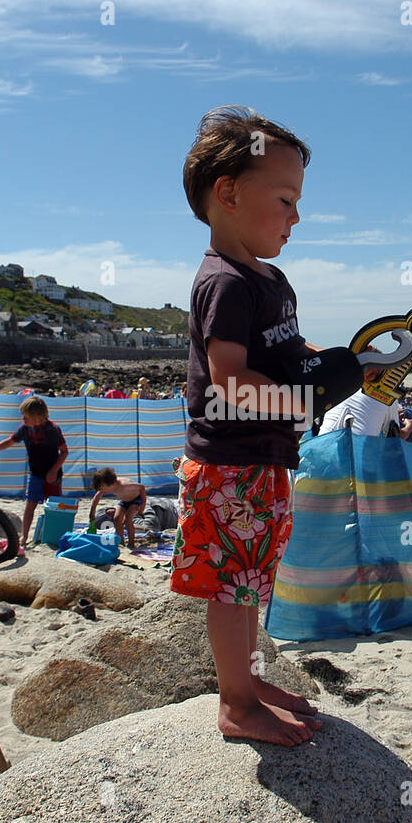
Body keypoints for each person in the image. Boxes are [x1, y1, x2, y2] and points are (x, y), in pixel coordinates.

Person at [172, 104, 324, 746]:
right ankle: (235, 704)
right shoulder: (225, 283)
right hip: (228, 464)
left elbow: (292, 356)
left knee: (251, 583)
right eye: (285, 199)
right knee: (232, 590)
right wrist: (309, 402)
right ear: (228, 194)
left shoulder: (272, 280)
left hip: (263, 462)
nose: (296, 216)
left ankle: (250, 677)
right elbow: (230, 381)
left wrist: (351, 364)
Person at [0, 395, 68, 547]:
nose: (23, 419)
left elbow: (64, 452)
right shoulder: (25, 429)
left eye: (26, 416)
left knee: (53, 506)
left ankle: (53, 536)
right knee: (30, 504)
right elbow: (9, 441)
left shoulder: (53, 430)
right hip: (35, 474)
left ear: (38, 417)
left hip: (53, 475)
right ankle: (24, 536)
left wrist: (53, 471)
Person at [88, 467, 147, 549]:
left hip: (135, 500)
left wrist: (142, 507)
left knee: (128, 520)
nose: (101, 491)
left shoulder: (125, 485)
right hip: (124, 501)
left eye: (102, 488)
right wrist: (92, 512)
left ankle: (131, 543)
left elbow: (142, 487)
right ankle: (121, 541)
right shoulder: (107, 486)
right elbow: (97, 497)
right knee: (116, 519)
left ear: (110, 484)